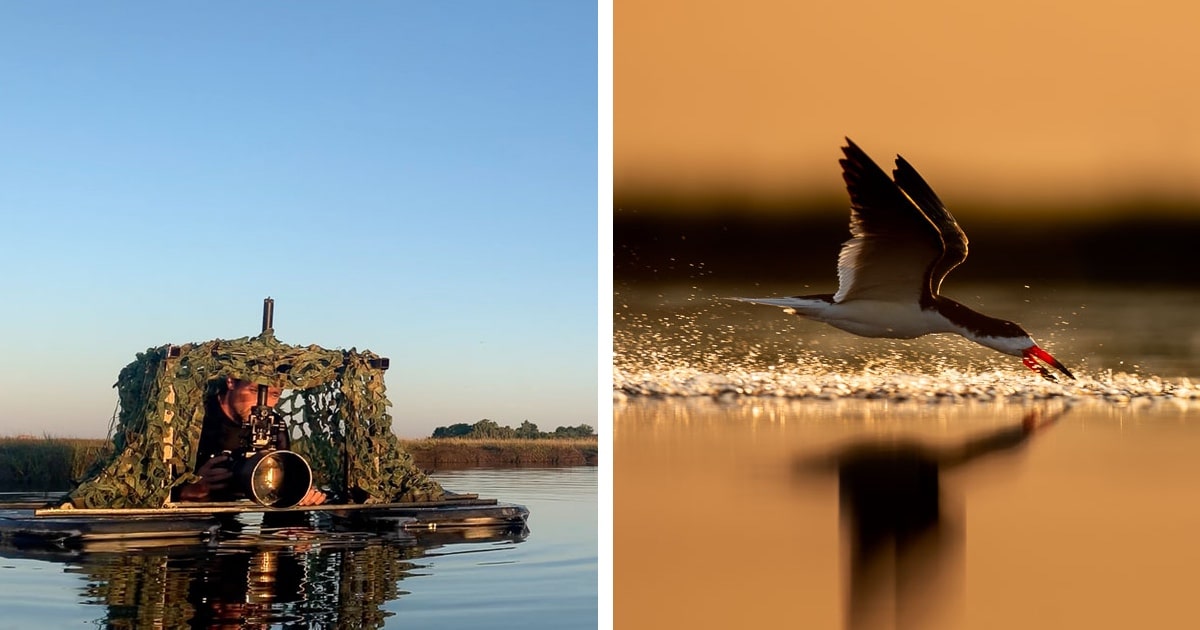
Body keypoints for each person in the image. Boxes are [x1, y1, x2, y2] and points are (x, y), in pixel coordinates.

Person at [176, 377, 327, 506]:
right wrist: (187, 489)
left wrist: (300, 493)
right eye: (254, 391)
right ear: (231, 382)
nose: (263, 405)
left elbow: (277, 487)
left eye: (274, 394)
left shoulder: (274, 424)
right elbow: (156, 488)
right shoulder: (190, 420)